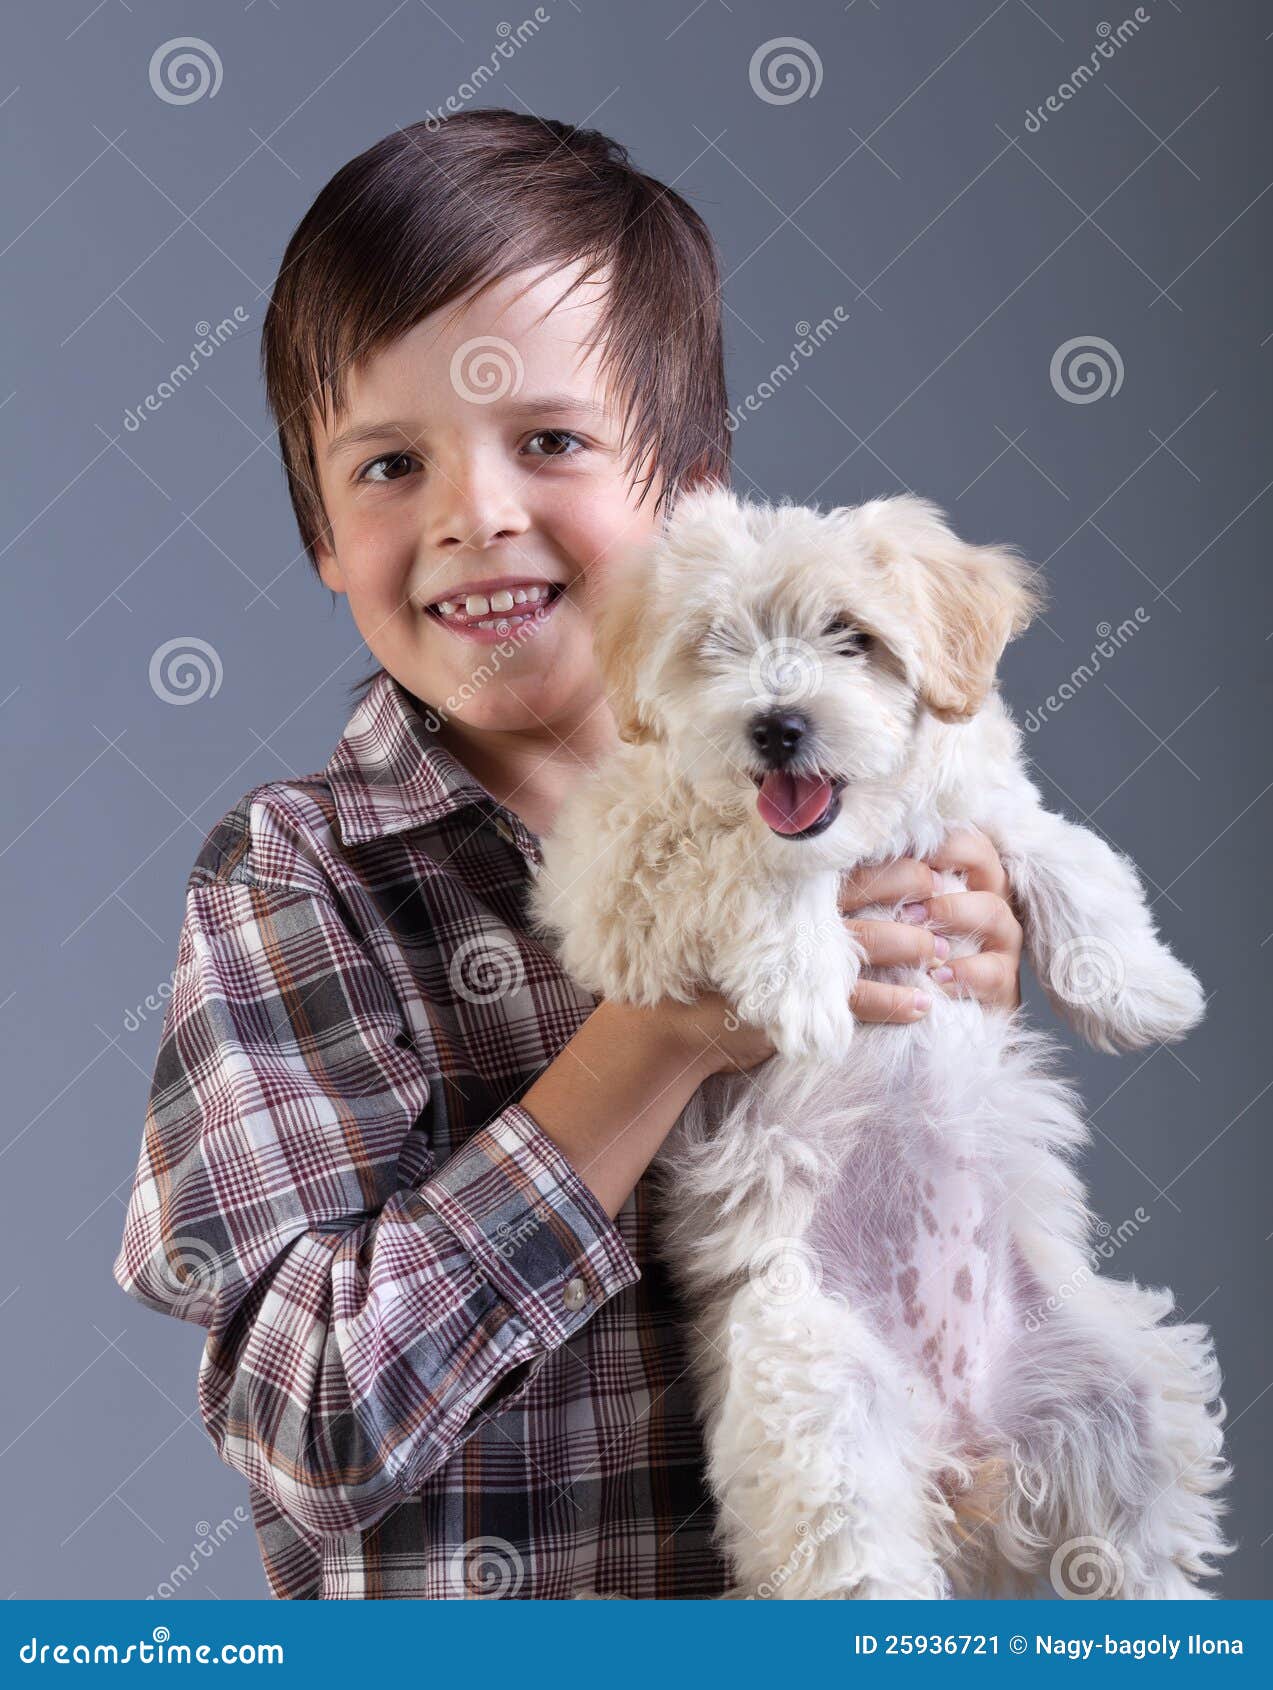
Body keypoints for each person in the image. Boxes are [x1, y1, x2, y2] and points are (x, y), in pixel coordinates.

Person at [113, 110, 1026, 1601]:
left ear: (693, 493)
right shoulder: (293, 878)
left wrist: (963, 990)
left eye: (548, 440)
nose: (476, 514)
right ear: (321, 535)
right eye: (389, 464)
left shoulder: (845, 801)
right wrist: (657, 1040)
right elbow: (312, 1417)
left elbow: (952, 1299)